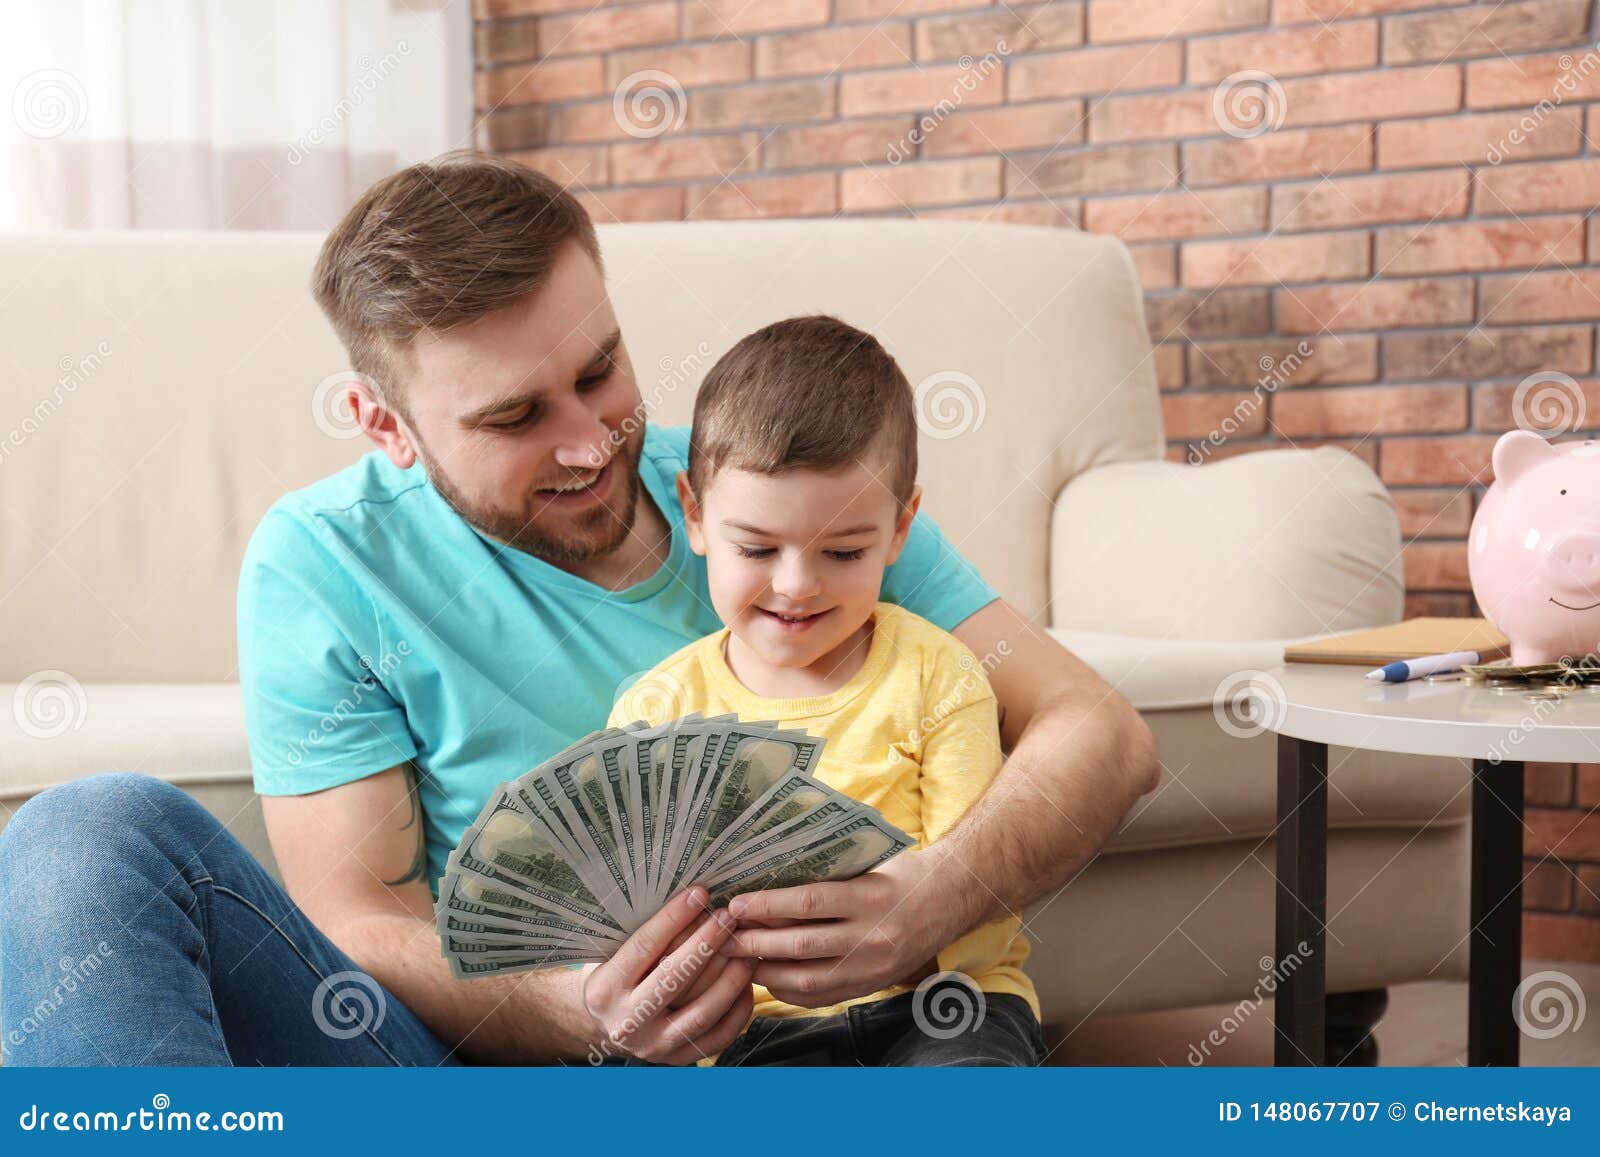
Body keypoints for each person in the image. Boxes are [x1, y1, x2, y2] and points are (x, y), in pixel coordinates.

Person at [0, 153, 1158, 1067]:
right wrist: (579, 1010)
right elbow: (358, 919)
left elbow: (1099, 727)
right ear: (385, 425)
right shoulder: (321, 564)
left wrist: (933, 900)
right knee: (85, 834)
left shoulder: (778, 502)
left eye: (599, 371)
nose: (588, 441)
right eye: (513, 418)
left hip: (791, 1050)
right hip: (470, 1062)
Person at [607, 314, 1041, 1066]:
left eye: (843, 550)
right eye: (756, 547)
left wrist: (893, 933)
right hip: (753, 1029)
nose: (797, 586)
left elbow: (980, 897)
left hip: (942, 1003)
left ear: (901, 528)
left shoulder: (940, 674)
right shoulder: (657, 708)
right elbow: (629, 910)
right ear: (695, 513)